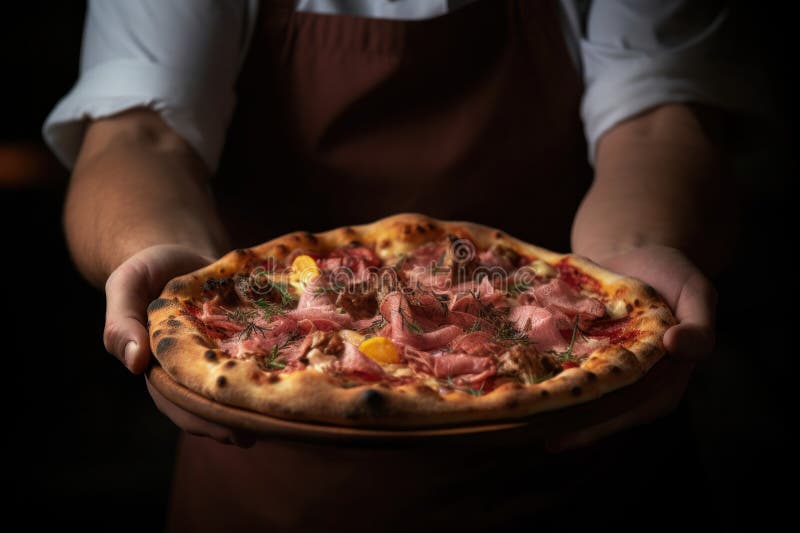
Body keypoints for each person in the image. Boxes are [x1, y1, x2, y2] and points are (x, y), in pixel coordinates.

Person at [44, 0, 737, 529]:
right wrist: (167, 262)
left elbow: (654, 122)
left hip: (592, 484)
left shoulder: (608, 316)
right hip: (271, 491)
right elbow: (137, 134)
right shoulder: (215, 317)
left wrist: (624, 272)